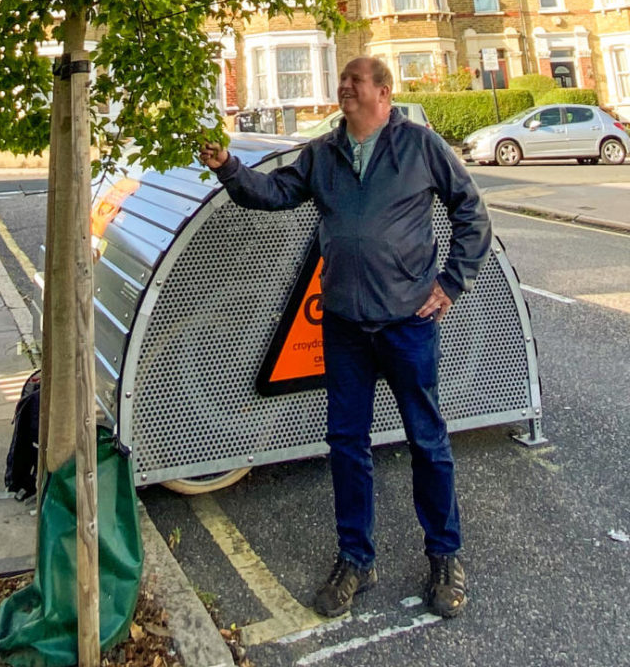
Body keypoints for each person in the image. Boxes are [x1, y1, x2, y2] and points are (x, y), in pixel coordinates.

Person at [199, 55, 491, 620]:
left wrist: (450, 284)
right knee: (347, 445)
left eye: (355, 81)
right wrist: (229, 167)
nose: (344, 87)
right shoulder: (323, 153)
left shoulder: (421, 147)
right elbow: (275, 193)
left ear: (383, 92)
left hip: (408, 322)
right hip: (344, 325)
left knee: (427, 442)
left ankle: (445, 556)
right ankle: (356, 559)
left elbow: (470, 214)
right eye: (343, 81)